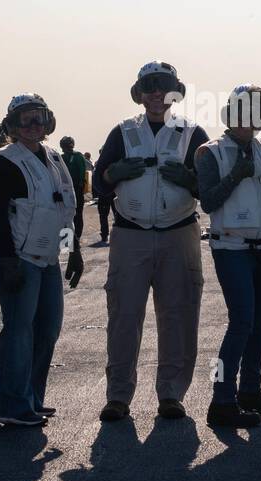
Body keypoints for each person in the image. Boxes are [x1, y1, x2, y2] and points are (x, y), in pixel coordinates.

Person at [92, 61, 208, 422]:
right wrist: (115, 172)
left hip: (179, 233)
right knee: (124, 316)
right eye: (150, 86)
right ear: (139, 93)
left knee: (179, 316)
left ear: (176, 91)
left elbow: (211, 190)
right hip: (131, 234)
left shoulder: (193, 133)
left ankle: (171, 394)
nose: (157, 93)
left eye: (164, 85)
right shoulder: (123, 133)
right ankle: (118, 397)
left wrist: (191, 180)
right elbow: (98, 182)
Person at [196, 85, 261, 428]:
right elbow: (207, 201)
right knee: (241, 322)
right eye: (243, 111)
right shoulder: (210, 153)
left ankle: (250, 391)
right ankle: (221, 400)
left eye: (255, 112)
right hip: (231, 246)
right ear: (231, 114)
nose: (248, 120)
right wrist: (237, 175)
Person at [0, 94, 82, 426]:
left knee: (48, 330)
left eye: (39, 117)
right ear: (12, 125)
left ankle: (32, 397)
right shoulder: (6, 160)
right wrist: (10, 261)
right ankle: (13, 406)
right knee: (18, 331)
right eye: (25, 118)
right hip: (18, 258)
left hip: (48, 259)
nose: (33, 125)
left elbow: (68, 208)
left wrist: (74, 250)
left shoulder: (54, 158)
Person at [59, 136, 88, 248]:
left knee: (77, 214)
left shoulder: (78, 156)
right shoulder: (61, 157)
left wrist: (80, 184)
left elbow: (82, 171)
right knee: (65, 215)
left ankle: (76, 238)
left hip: (76, 189)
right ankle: (67, 241)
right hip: (64, 189)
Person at [91, 146, 112, 247]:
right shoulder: (113, 161)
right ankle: (106, 234)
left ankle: (105, 234)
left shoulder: (98, 163)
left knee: (103, 215)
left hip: (105, 193)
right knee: (114, 214)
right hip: (112, 193)